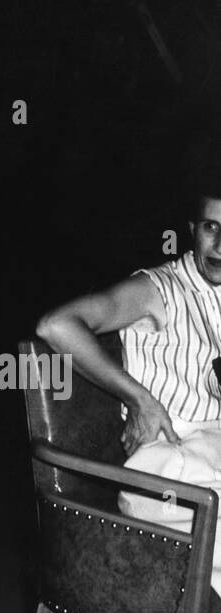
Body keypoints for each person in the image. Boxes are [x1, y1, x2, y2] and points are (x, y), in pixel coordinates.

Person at [36, 158, 221, 590]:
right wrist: (140, 398)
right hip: (163, 472)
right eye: (211, 227)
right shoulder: (159, 289)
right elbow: (56, 325)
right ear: (193, 229)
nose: (220, 244)